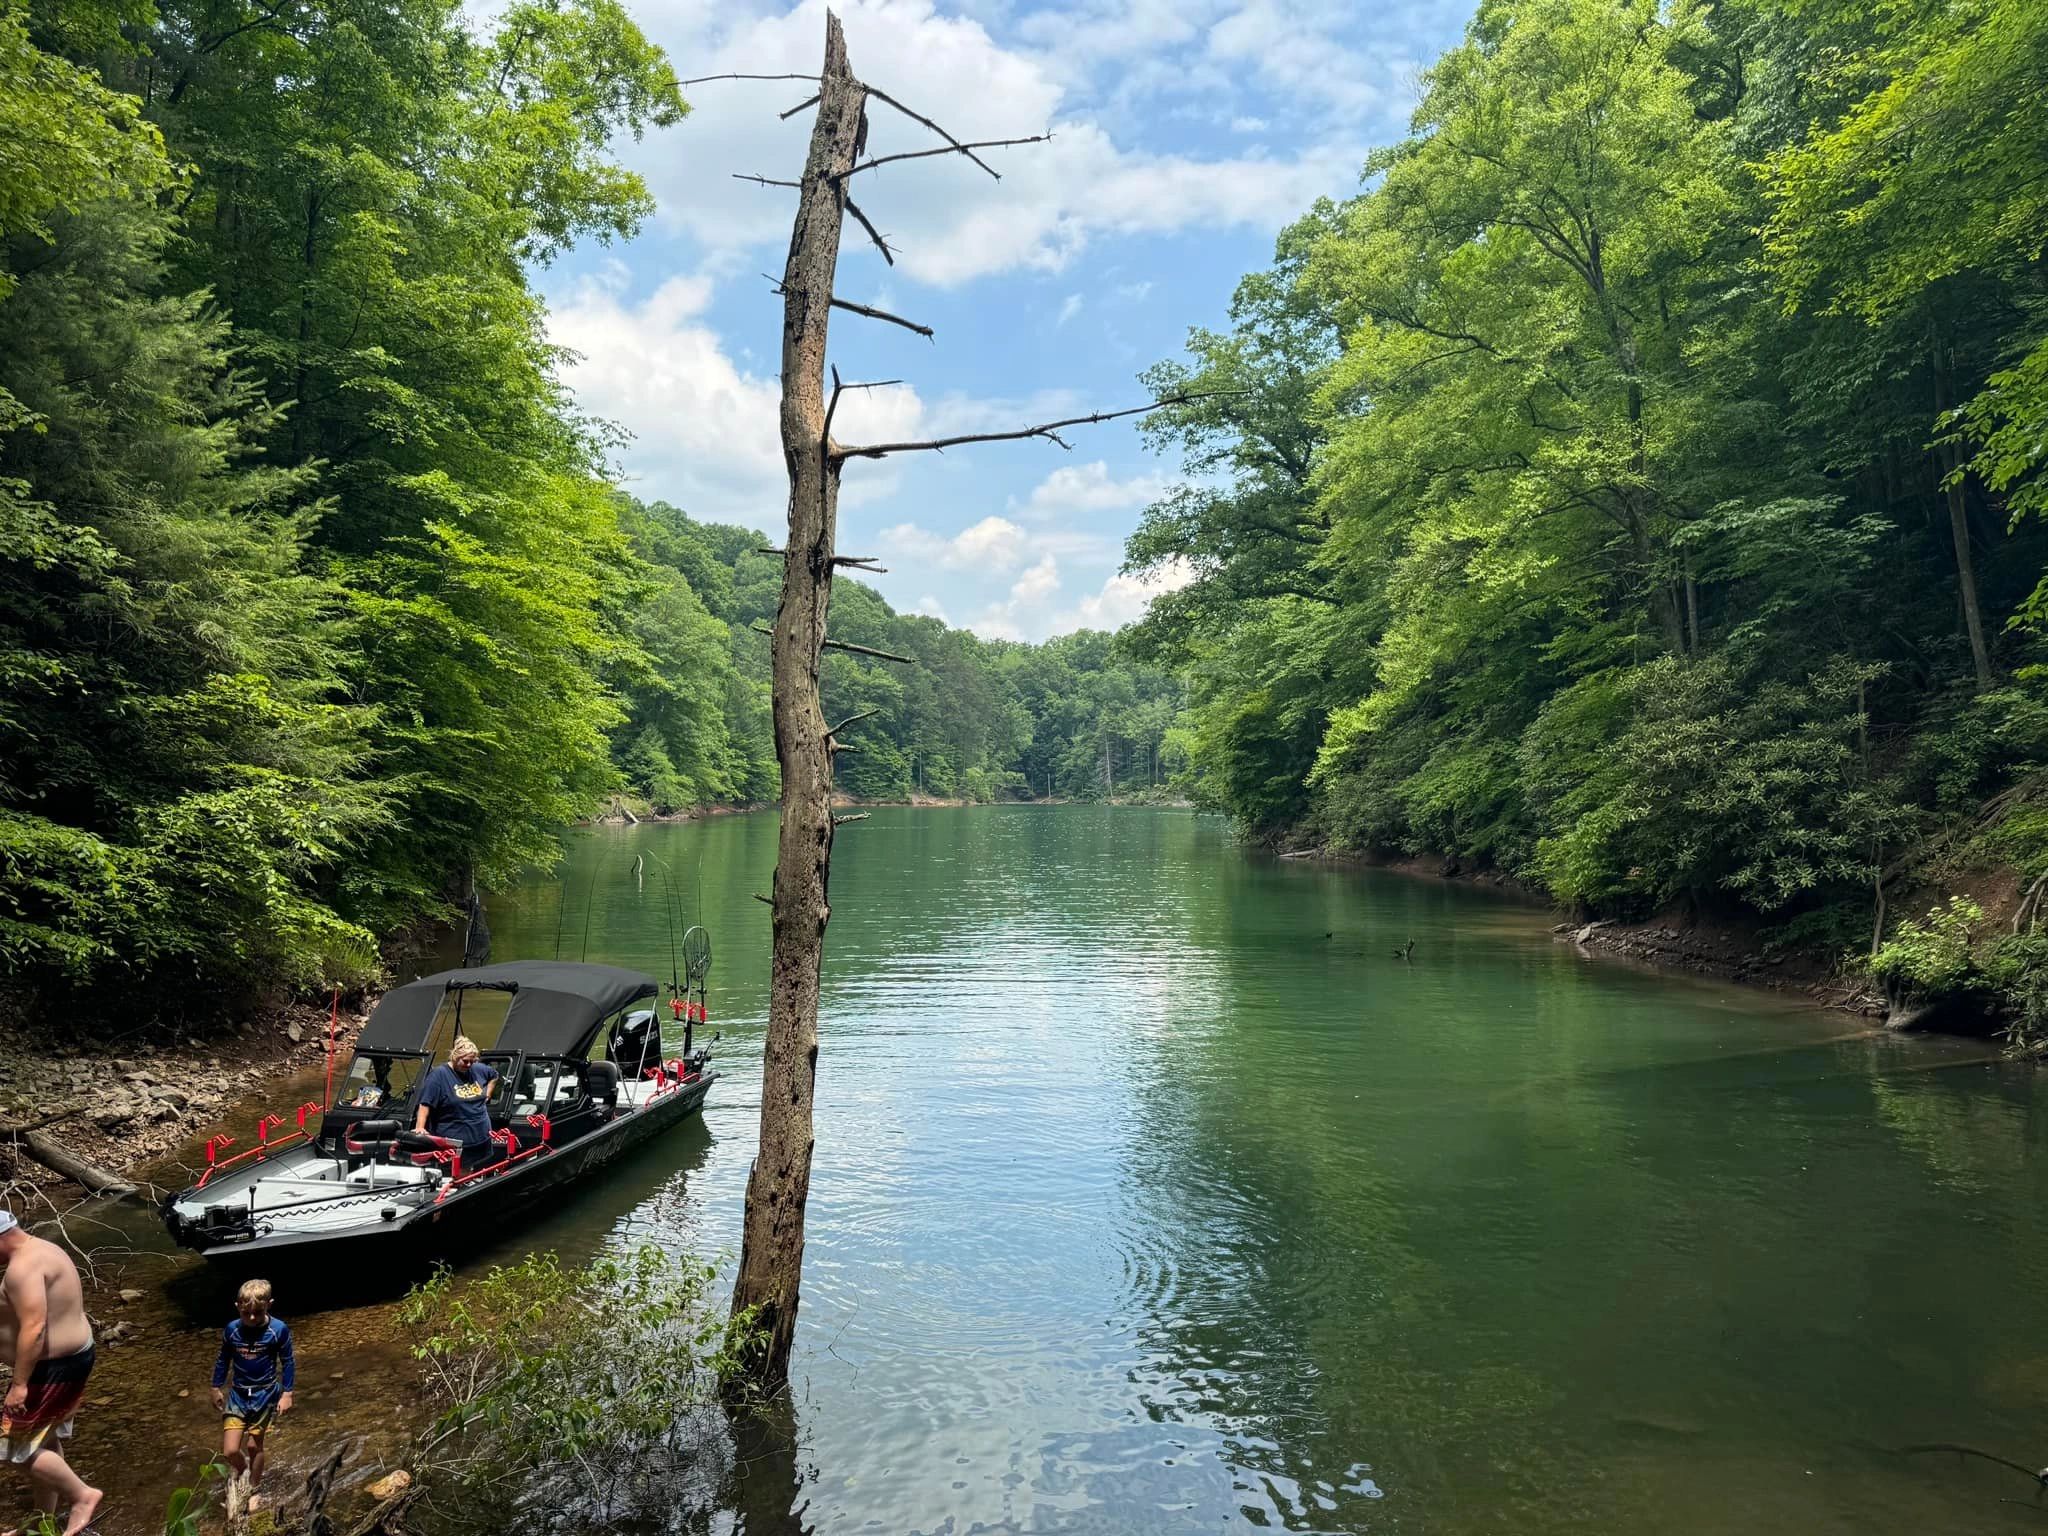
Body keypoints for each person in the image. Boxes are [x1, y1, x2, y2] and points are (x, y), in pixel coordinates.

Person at [0, 1208, 101, 1536]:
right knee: (46, 1440)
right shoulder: (43, 1248)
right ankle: (43, 1522)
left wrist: (19, 1384)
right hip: (72, 1358)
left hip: (52, 1368)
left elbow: (35, 1326)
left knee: (12, 1449)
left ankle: (82, 1496)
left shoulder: (22, 1268)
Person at [210, 1278, 294, 1514]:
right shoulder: (232, 1330)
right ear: (238, 1306)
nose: (253, 1318)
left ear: (270, 1304)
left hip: (265, 1395)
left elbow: (287, 1362)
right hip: (238, 1395)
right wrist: (216, 1387)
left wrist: (287, 1393)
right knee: (230, 1451)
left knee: (254, 1445)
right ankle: (245, 1470)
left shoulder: (278, 1330)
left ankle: (254, 1489)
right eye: (247, 1313)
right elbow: (223, 1359)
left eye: (258, 1312)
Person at [415, 1034, 501, 1174]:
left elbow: (494, 1075)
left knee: (475, 1175)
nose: (469, 1065)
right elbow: (425, 1104)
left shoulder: (476, 1068)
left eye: (472, 1062)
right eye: (465, 1061)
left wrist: (488, 1093)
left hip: (481, 1139)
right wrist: (419, 1127)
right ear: (455, 1057)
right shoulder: (439, 1075)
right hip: (454, 1142)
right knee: (459, 1176)